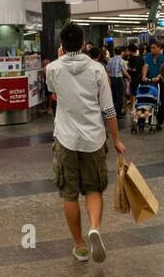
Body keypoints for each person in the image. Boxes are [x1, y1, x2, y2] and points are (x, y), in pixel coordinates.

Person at [44, 22, 124, 263]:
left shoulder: (53, 69)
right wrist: (117, 140)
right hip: (94, 139)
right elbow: (108, 110)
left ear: (61, 44)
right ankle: (95, 228)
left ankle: (79, 246)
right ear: (83, 43)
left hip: (66, 140)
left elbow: (53, 93)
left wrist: (59, 59)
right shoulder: (98, 69)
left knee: (69, 194)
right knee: (93, 188)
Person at [104, 44, 127, 125]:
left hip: (112, 79)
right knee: (120, 97)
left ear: (114, 52)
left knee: (113, 96)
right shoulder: (122, 61)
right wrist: (129, 77)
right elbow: (124, 71)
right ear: (122, 52)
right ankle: (118, 113)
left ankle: (113, 112)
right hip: (119, 79)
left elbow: (107, 70)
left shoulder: (110, 60)